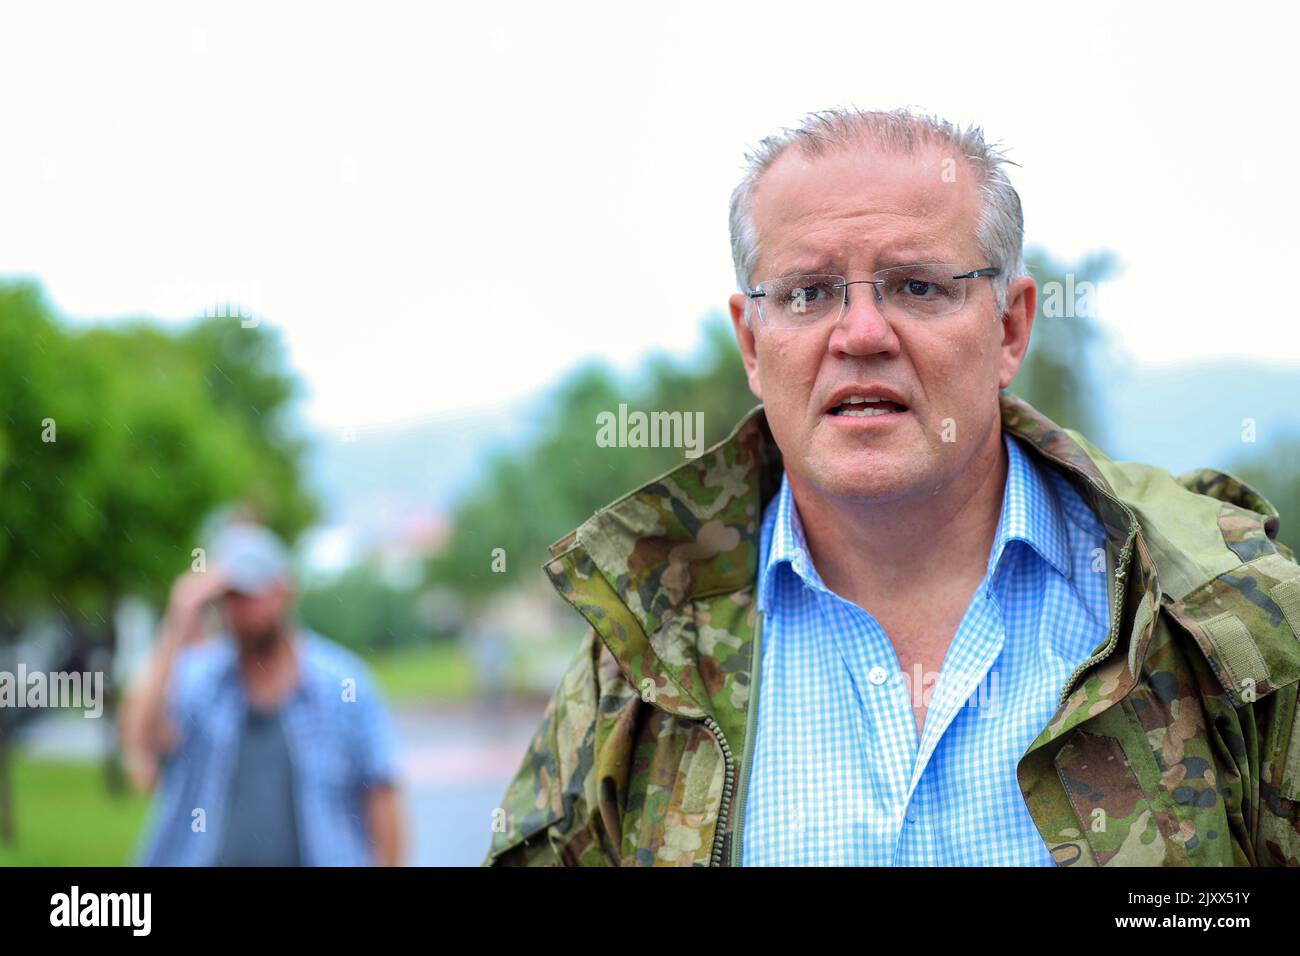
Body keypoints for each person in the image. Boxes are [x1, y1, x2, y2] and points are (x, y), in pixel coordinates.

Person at [483, 107, 1300, 867]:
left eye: (918, 286)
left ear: (1010, 327)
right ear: (753, 343)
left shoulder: (1224, 614)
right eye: (807, 293)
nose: (863, 334)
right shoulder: (642, 660)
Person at [120, 521, 404, 866]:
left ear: (285, 591)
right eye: (230, 598)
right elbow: (142, 740)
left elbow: (381, 795)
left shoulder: (343, 686)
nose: (240, 611)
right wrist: (179, 617)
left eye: (250, 595)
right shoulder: (201, 681)